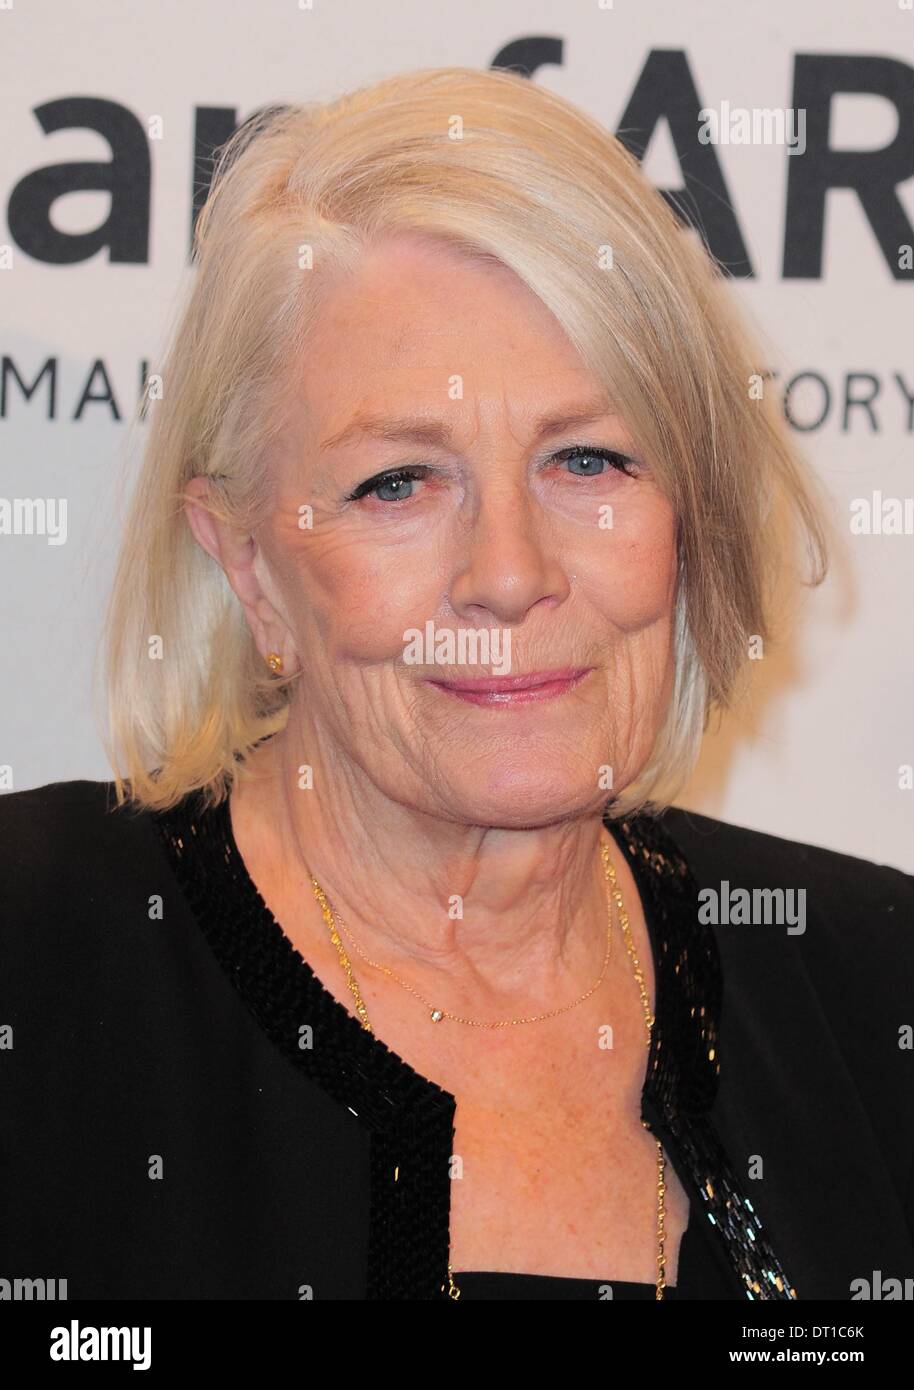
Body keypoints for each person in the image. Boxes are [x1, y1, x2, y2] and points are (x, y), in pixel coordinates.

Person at [1, 66, 912, 1303]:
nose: (508, 575)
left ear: (685, 520)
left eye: (587, 459)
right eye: (398, 483)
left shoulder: (870, 982)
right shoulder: (40, 951)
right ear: (250, 566)